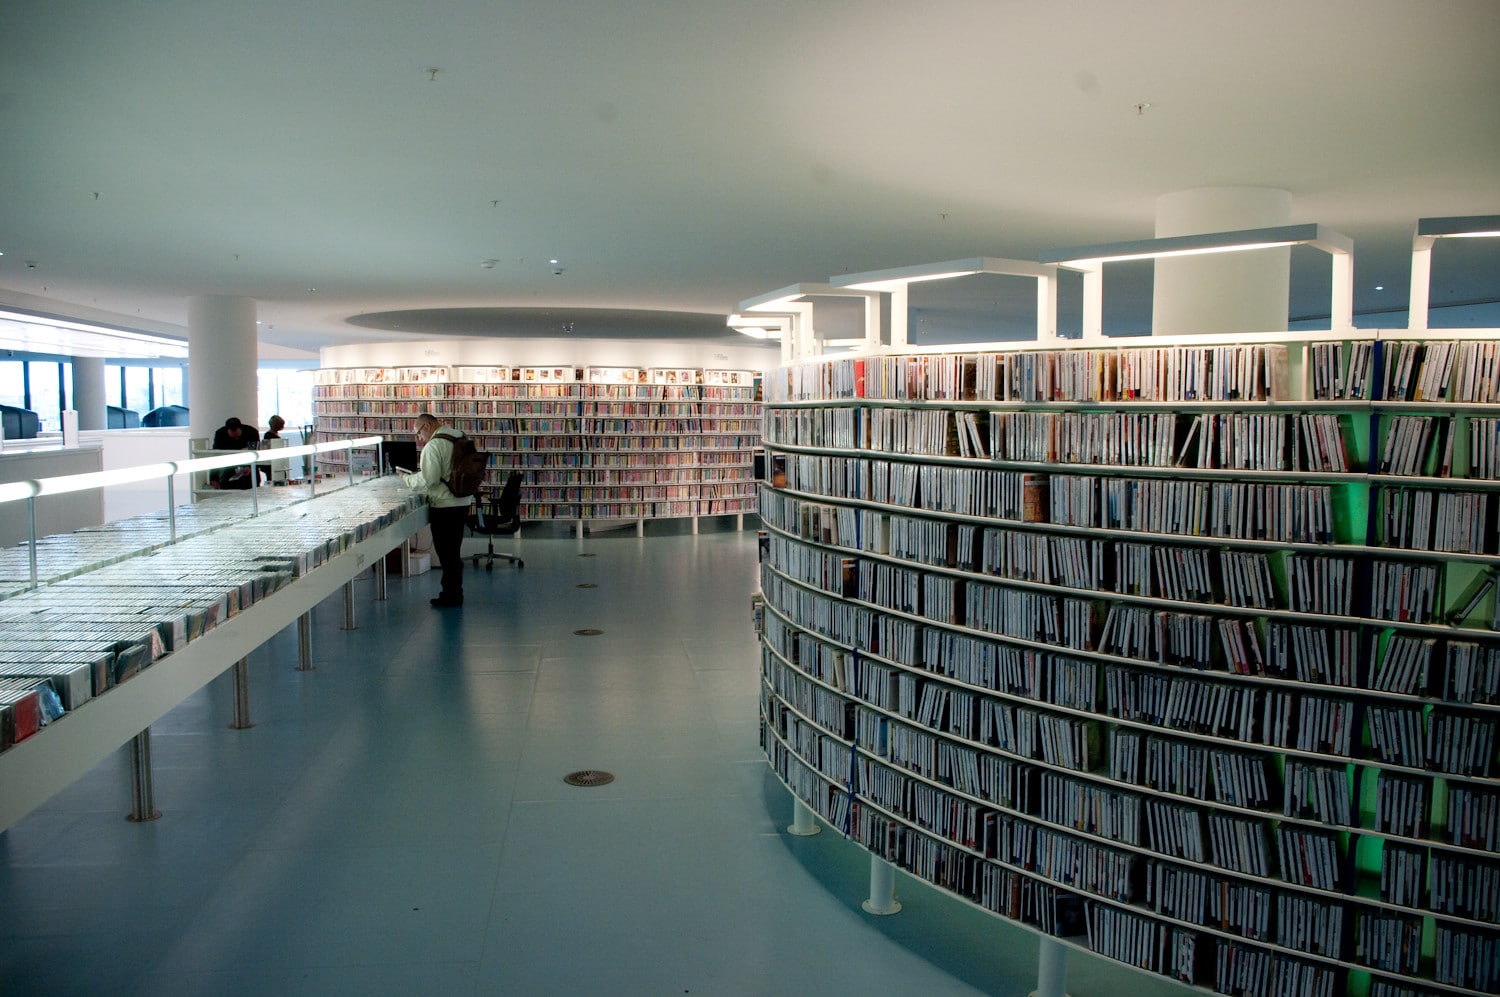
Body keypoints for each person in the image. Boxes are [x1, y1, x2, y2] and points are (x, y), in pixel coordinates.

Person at [401, 412, 471, 608]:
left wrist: (407, 479)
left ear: (427, 426)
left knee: (446, 553)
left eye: (418, 433)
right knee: (454, 550)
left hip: (444, 505)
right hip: (463, 501)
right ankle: (454, 592)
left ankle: (451, 596)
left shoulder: (433, 446)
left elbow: (429, 480)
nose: (419, 438)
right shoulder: (459, 435)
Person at [210, 417, 260, 488]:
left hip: (249, 472)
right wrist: (214, 478)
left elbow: (256, 453)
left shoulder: (251, 432)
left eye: (238, 437)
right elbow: (216, 456)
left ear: (241, 428)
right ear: (227, 430)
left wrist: (250, 467)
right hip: (229, 469)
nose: (236, 439)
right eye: (233, 438)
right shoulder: (220, 434)